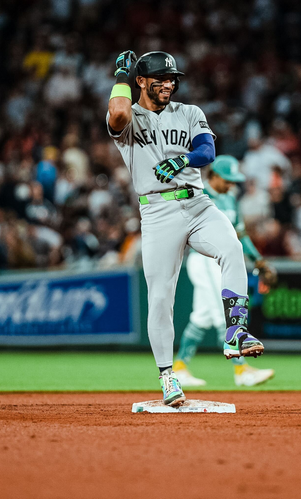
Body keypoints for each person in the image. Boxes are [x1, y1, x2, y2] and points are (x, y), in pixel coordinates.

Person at [106, 50, 265, 407]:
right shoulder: (129, 118)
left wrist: (184, 158)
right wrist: (120, 74)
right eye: (161, 78)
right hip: (158, 211)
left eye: (173, 78)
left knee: (232, 247)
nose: (170, 83)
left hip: (197, 202)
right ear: (141, 82)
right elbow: (118, 112)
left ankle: (236, 331)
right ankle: (167, 376)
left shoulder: (190, 112)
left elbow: (208, 151)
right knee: (160, 298)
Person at [173, 155, 275, 388]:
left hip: (222, 260)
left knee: (202, 317)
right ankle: (241, 370)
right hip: (205, 259)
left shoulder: (230, 199)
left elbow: (240, 234)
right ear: (214, 176)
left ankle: (179, 368)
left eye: (233, 180)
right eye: (227, 179)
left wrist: (258, 260)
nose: (231, 184)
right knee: (223, 314)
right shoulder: (199, 194)